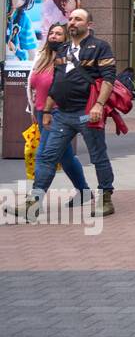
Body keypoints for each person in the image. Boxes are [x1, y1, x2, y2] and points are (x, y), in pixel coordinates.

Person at [28, 8, 118, 217]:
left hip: (87, 113)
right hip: (63, 114)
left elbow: (108, 78)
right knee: (48, 156)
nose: (72, 22)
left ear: (89, 25)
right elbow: (58, 82)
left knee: (98, 156)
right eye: (70, 19)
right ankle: (33, 202)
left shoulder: (100, 47)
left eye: (78, 19)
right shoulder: (63, 49)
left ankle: (106, 198)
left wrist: (99, 105)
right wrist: (48, 109)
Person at [13, 23, 92, 217]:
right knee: (64, 157)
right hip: (41, 113)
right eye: (52, 33)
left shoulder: (67, 58)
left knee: (43, 155)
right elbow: (33, 86)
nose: (54, 36)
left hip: (59, 114)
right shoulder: (41, 56)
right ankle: (84, 191)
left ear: (65, 39)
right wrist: (32, 108)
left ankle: (33, 203)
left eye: (59, 34)